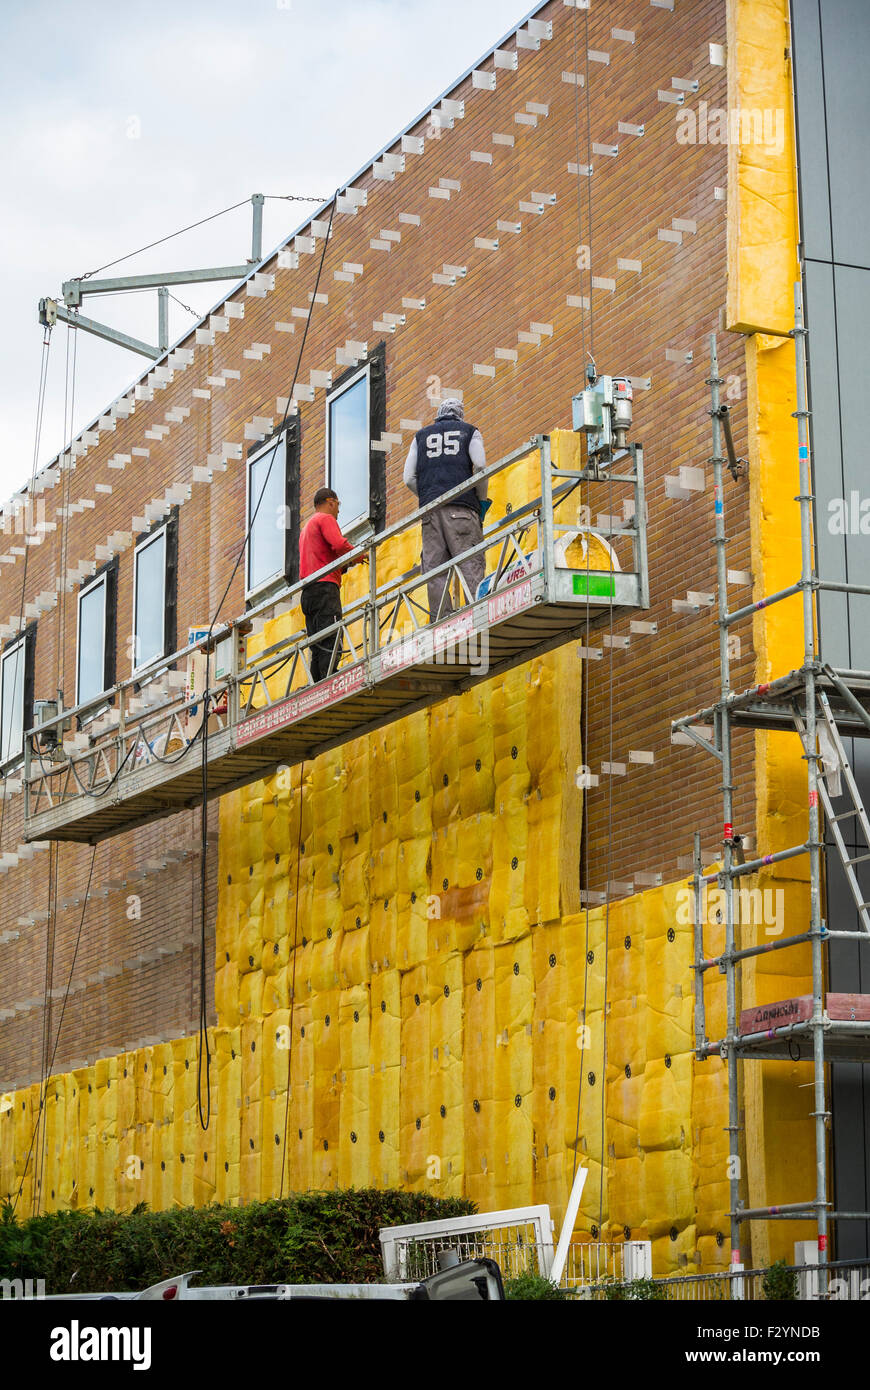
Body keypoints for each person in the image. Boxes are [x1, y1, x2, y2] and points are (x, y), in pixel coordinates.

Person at [403, 399, 488, 619]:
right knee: (470, 561)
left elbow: (408, 478)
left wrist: (429, 497)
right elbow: (479, 466)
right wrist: (481, 500)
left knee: (435, 569)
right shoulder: (470, 432)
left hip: (430, 513)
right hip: (462, 509)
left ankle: (441, 618)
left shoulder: (420, 437)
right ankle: (477, 611)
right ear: (460, 414)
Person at [299, 488, 366, 683]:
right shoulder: (326, 519)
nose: (338, 511)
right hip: (325, 588)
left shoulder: (307, 528)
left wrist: (344, 564)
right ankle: (329, 681)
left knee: (317, 643)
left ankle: (318, 683)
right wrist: (360, 555)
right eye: (338, 505)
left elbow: (322, 556)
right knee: (331, 636)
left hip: (308, 592)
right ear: (331, 502)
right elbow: (338, 544)